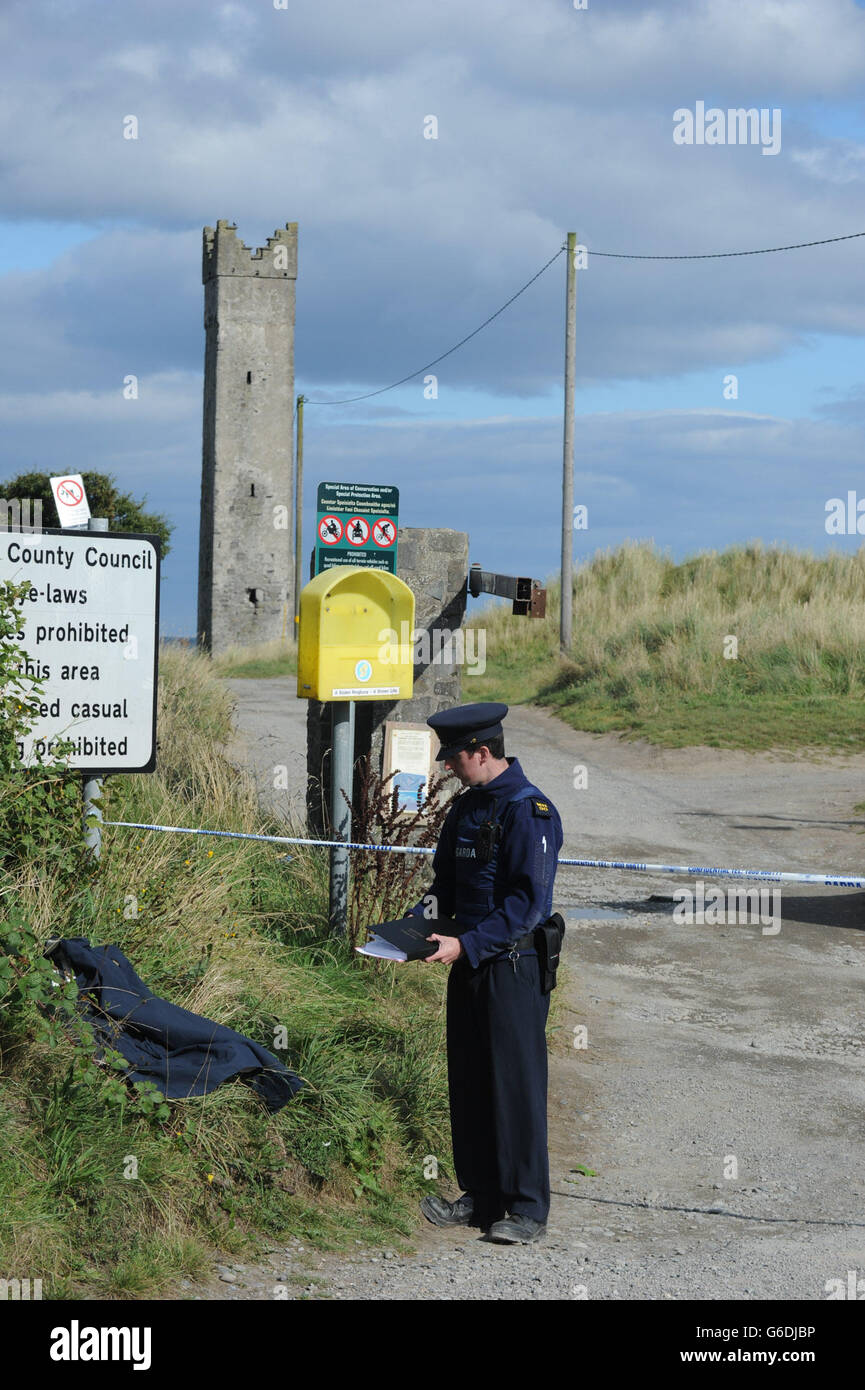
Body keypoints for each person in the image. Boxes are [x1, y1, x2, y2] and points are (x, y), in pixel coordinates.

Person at [405, 701, 563, 1244]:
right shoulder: (465, 810)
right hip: (467, 961)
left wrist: (466, 944)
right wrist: (408, 929)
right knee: (469, 1080)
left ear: (482, 751)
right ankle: (480, 1197)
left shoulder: (529, 810)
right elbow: (444, 885)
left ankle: (525, 1208)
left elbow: (528, 905)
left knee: (514, 1086)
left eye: (455, 758)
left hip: (512, 967)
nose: (449, 767)